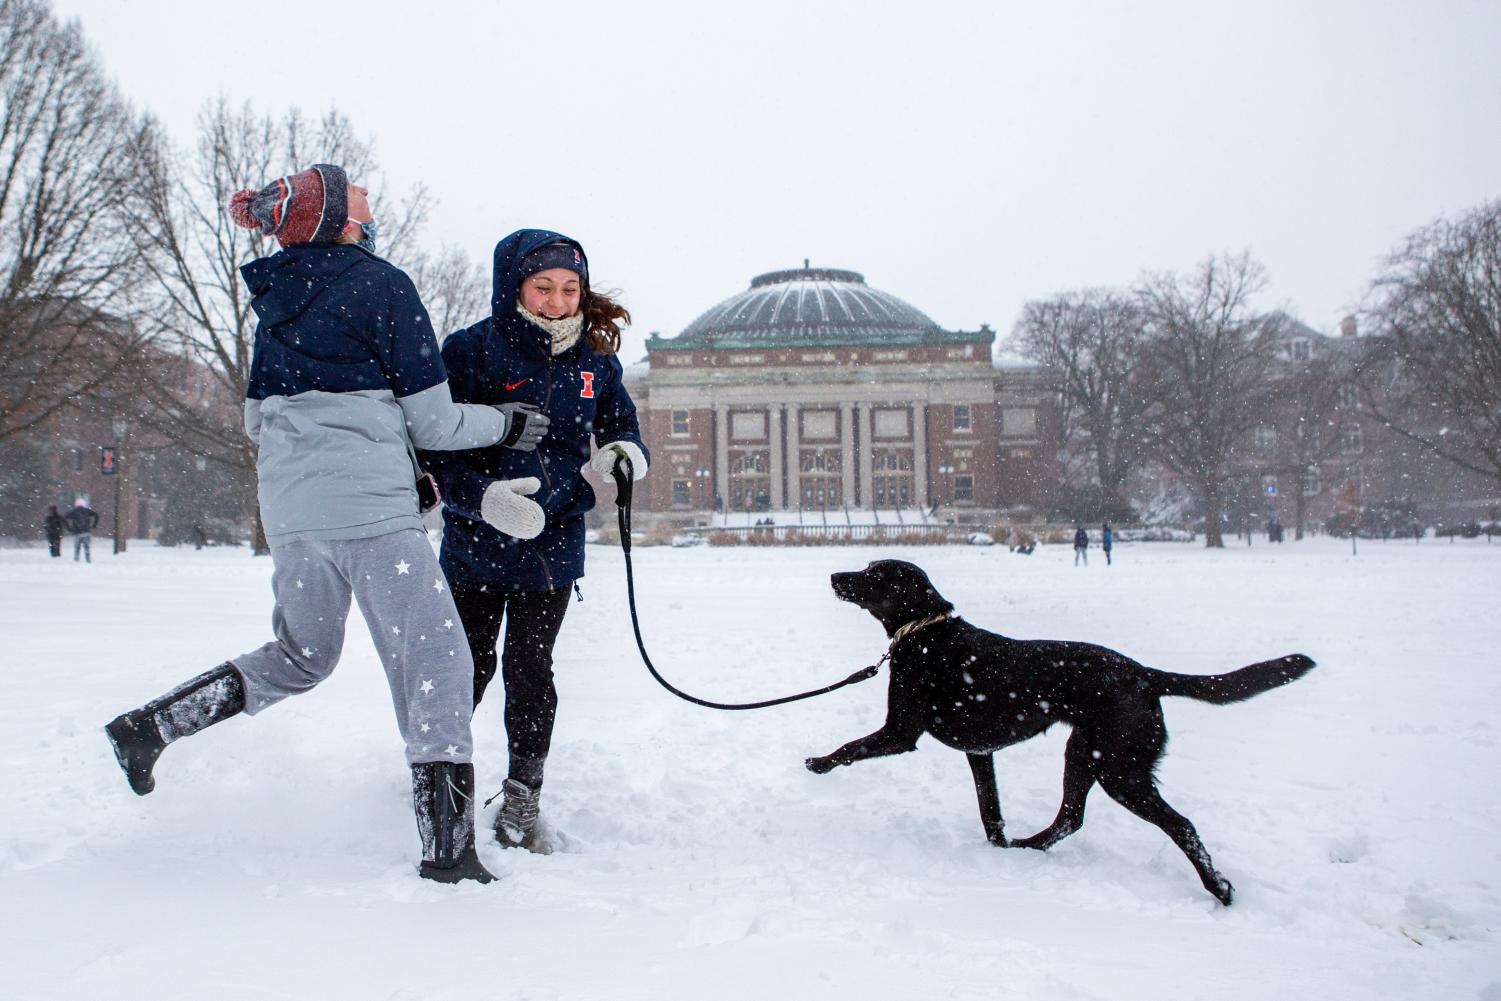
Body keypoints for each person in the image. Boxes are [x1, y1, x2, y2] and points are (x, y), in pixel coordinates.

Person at [103, 164, 548, 883]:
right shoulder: (382, 283)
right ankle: (447, 851)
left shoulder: (274, 298)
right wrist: (506, 422)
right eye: (360, 196)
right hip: (370, 515)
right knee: (437, 659)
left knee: (303, 653)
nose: (373, 201)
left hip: (292, 513)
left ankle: (150, 726)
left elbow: (255, 418)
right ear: (340, 216)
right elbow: (432, 417)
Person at [420, 229, 648, 854]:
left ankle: (523, 796)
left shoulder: (597, 361)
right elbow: (431, 444)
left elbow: (621, 423)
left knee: (530, 668)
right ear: (514, 287)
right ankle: (440, 783)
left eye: (569, 288)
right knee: (465, 666)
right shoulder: (469, 350)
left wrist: (626, 453)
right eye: (543, 287)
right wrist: (482, 499)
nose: (556, 300)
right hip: (474, 543)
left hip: (553, 543)